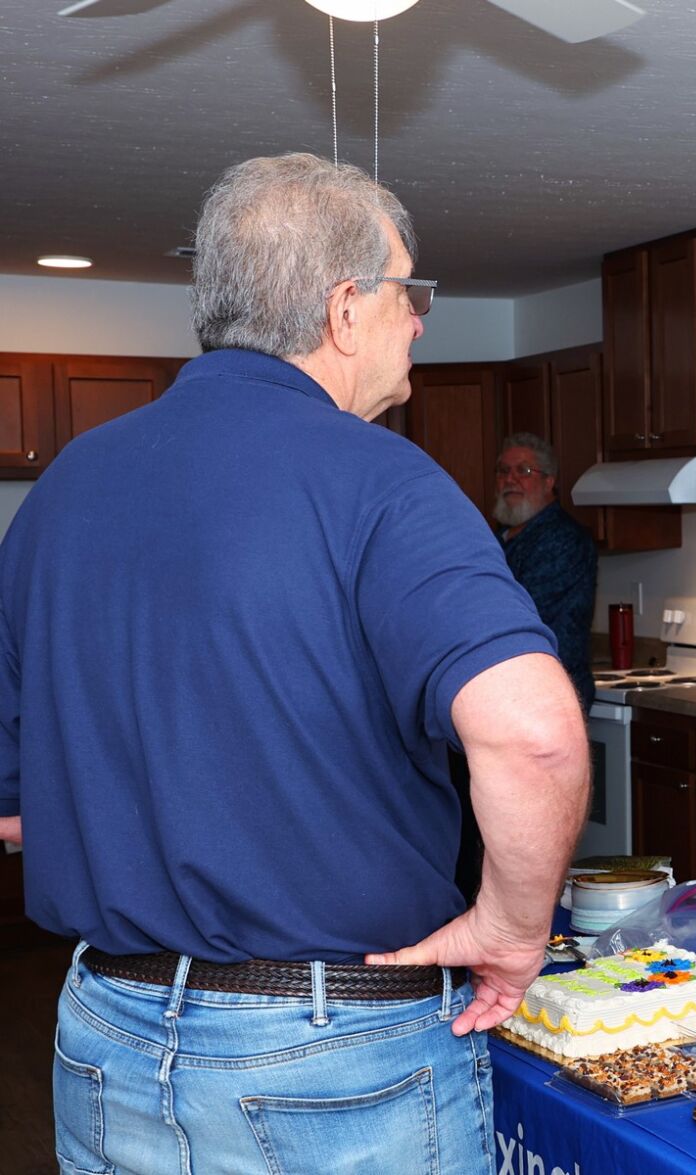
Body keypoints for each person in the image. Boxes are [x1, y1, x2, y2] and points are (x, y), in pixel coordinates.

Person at [0, 154, 589, 1173]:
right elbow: (534, 734)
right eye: (412, 292)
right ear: (347, 307)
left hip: (105, 1032)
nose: (420, 321)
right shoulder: (385, 482)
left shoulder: (67, 485)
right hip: (330, 1051)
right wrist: (509, 927)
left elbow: (17, 804)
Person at [494, 432, 599, 700]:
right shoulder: (502, 536)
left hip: (549, 692)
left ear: (549, 481)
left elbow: (519, 615)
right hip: (512, 687)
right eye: (504, 471)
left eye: (524, 471)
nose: (510, 479)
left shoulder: (563, 539)